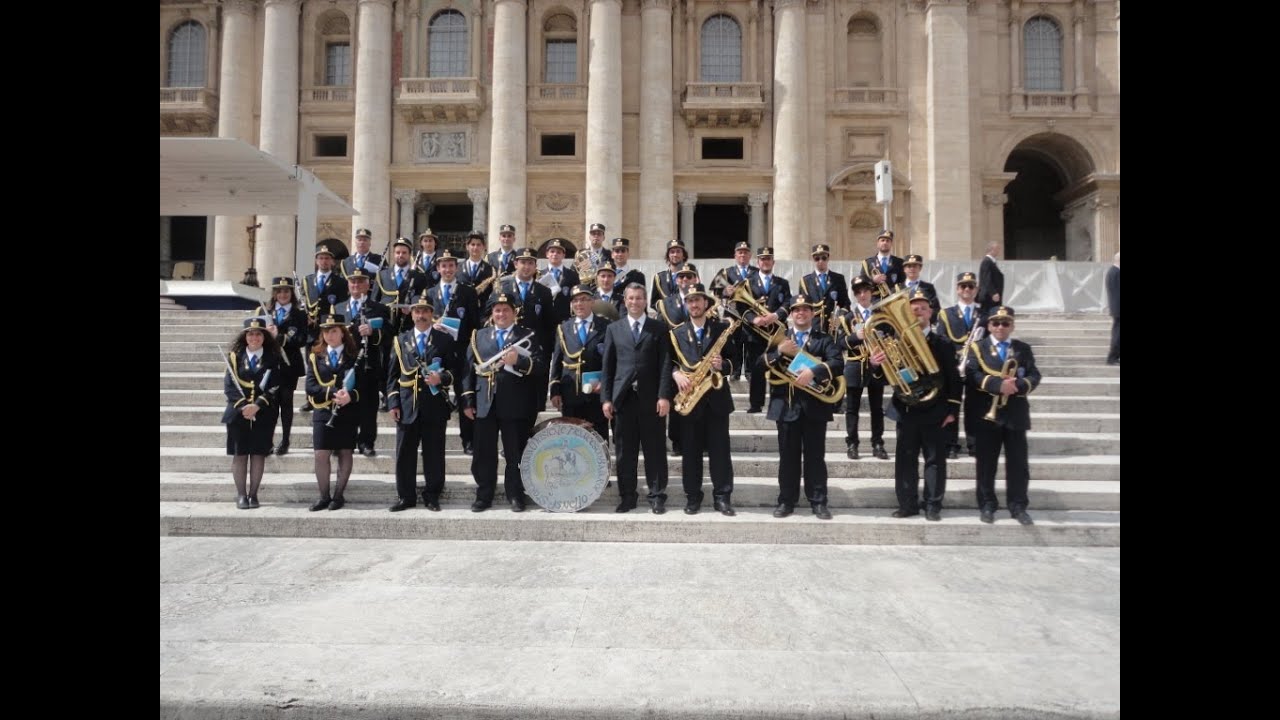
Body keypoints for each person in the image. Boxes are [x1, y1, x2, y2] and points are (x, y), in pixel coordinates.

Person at [871, 289, 961, 521]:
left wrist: (952, 411)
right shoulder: (895, 342)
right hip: (907, 409)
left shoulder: (942, 343)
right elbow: (885, 379)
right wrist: (875, 364)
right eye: (913, 309)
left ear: (931, 312)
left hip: (936, 411)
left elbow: (954, 380)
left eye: (923, 308)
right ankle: (907, 504)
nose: (918, 312)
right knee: (905, 461)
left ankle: (932, 504)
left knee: (934, 461)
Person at [460, 292, 547, 512]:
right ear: (492, 313)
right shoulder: (478, 336)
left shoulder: (527, 334)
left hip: (515, 403)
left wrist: (519, 361)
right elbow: (468, 371)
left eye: (506, 310)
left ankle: (516, 494)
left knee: (514, 453)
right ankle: (484, 494)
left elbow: (540, 367)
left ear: (514, 313)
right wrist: (468, 400)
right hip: (484, 403)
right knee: (483, 453)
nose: (501, 314)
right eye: (497, 310)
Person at [765, 297, 843, 520]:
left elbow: (838, 363)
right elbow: (759, 364)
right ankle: (786, 501)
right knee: (787, 458)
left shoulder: (824, 339)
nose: (801, 313)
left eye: (805, 310)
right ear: (790, 314)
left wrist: (814, 372)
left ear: (813, 313)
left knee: (815, 457)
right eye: (796, 310)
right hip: (786, 406)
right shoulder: (780, 338)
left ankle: (818, 501)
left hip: (814, 408)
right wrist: (779, 351)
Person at [966, 306, 1042, 525]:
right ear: (989, 326)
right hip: (987, 415)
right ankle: (987, 504)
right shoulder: (978, 347)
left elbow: (1034, 375)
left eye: (1005, 323)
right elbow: (972, 375)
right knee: (986, 464)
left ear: (1012, 326)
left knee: (1018, 464)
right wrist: (998, 385)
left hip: (1015, 415)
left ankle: (1018, 506)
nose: (1000, 327)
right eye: (996, 323)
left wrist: (1017, 385)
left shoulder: (1022, 349)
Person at [666, 283, 736, 516]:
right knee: (691, 452)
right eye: (690, 301)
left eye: (698, 300)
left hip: (716, 398)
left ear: (706, 303)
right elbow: (670, 363)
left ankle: (722, 497)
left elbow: (735, 361)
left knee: (720, 452)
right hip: (689, 400)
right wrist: (675, 374)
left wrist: (723, 365)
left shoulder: (721, 328)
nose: (694, 304)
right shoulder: (676, 333)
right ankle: (693, 496)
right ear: (686, 305)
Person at [602, 284, 673, 514]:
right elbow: (608, 367)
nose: (635, 302)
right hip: (623, 400)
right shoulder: (614, 328)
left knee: (655, 450)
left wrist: (664, 395)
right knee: (625, 451)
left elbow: (665, 365)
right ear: (625, 301)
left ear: (645, 301)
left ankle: (657, 495)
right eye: (631, 298)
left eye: (639, 298)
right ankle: (627, 496)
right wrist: (606, 399)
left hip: (651, 399)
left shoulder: (659, 328)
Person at [386, 295, 456, 512]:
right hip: (408, 406)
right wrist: (393, 403)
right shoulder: (400, 340)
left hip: (434, 406)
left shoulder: (444, 340)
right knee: (405, 453)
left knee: (434, 454)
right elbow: (391, 376)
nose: (421, 315)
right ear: (412, 313)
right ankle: (406, 496)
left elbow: (455, 372)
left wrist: (441, 379)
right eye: (417, 311)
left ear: (431, 314)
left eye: (425, 311)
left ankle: (432, 495)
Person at [303, 314, 362, 511]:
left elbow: (366, 386)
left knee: (345, 451)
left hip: (348, 411)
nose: (330, 334)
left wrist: (351, 396)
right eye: (326, 331)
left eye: (334, 330)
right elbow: (310, 386)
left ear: (342, 333)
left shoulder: (355, 356)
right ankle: (323, 496)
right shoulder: (316, 356)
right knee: (321, 453)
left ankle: (338, 495)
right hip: (323, 411)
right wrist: (333, 392)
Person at [222, 318, 283, 509]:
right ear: (245, 336)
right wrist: (244, 407)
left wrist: (257, 405)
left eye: (258, 334)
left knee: (258, 454)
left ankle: (254, 494)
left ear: (264, 337)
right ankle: (241, 495)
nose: (254, 337)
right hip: (238, 413)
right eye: (250, 334)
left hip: (264, 413)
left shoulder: (273, 357)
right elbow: (229, 387)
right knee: (240, 454)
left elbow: (275, 386)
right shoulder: (235, 357)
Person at [429, 248, 481, 454]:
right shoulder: (430, 292)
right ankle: (434, 441)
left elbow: (474, 323)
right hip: (438, 352)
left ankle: (468, 440)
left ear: (456, 268)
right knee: (435, 395)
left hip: (461, 351)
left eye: (451, 265)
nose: (447, 269)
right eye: (444, 265)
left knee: (464, 395)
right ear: (438, 268)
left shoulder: (467, 291)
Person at [836, 275, 888, 460]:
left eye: (866, 290)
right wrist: (854, 337)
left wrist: (881, 354)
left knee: (876, 408)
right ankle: (852, 443)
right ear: (855, 295)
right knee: (852, 408)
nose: (863, 294)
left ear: (871, 292)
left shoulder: (881, 316)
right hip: (855, 365)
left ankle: (877, 443)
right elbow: (839, 342)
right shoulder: (848, 317)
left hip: (877, 365)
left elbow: (891, 338)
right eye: (858, 292)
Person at [549, 285, 610, 442]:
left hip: (596, 392)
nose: (579, 304)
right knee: (572, 440)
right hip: (571, 393)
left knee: (598, 439)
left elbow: (611, 359)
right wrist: (555, 389)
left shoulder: (605, 326)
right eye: (575, 300)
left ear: (592, 302)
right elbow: (557, 361)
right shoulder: (564, 328)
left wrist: (605, 383)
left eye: (584, 300)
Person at [340, 269, 390, 457]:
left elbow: (388, 336)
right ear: (348, 285)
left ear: (368, 285)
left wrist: (372, 332)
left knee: (369, 406)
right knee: (347, 405)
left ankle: (366, 442)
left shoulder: (380, 309)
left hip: (369, 364)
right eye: (353, 282)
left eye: (361, 282)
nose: (356, 285)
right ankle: (346, 441)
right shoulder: (338, 308)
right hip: (345, 364)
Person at [936, 271, 984, 459]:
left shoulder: (985, 315)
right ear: (957, 289)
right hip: (954, 365)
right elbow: (941, 341)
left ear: (976, 290)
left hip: (976, 366)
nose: (967, 289)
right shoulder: (946, 314)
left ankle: (974, 443)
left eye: (971, 286)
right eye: (963, 286)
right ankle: (950, 443)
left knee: (974, 405)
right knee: (952, 404)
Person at [740, 246, 790, 414]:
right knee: (756, 369)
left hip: (777, 334)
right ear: (758, 262)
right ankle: (756, 404)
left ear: (773, 262)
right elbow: (741, 307)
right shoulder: (748, 283)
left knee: (779, 366)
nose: (765, 262)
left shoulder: (783, 283)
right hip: (755, 334)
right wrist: (754, 319)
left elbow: (788, 303)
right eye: (762, 259)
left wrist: (776, 315)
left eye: (768, 259)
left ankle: (779, 402)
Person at [264, 276, 309, 455]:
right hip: (269, 365)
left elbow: (301, 339)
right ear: (274, 294)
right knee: (270, 403)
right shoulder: (265, 312)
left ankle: (285, 440)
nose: (283, 294)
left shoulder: (299, 314)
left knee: (286, 402)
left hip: (289, 365)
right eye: (279, 291)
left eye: (286, 291)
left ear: (292, 293)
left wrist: (280, 337)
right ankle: (268, 439)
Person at [710, 241, 760, 382]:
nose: (742, 255)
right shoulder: (727, 272)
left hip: (751, 313)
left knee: (750, 343)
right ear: (735, 255)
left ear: (750, 255)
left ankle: (750, 371)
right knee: (733, 343)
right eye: (740, 252)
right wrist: (725, 291)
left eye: (745, 252)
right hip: (732, 314)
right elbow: (715, 290)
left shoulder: (756, 272)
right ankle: (735, 371)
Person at [375, 237, 429, 334]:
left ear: (409, 255)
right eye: (398, 252)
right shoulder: (382, 275)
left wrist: (412, 309)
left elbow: (423, 301)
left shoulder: (419, 277)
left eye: (404, 253)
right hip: (385, 326)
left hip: (407, 326)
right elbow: (374, 301)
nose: (400, 255)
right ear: (393, 254)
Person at [798, 243, 850, 334]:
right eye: (817, 258)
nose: (820, 261)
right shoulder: (805, 281)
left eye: (823, 258)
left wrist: (839, 318)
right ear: (813, 259)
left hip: (834, 328)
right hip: (814, 327)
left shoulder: (838, 278)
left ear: (828, 258)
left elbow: (845, 303)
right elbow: (803, 306)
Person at [541, 237, 580, 324]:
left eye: (559, 252)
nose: (555, 254)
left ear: (563, 255)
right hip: (544, 320)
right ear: (547, 254)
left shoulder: (572, 275)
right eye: (552, 251)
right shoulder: (539, 275)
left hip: (565, 320)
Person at [860, 229, 905, 302]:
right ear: (877, 243)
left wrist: (891, 292)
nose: (885, 243)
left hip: (894, 301)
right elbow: (861, 284)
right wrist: (873, 280)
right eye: (882, 240)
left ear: (891, 244)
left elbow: (903, 283)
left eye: (888, 241)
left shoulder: (899, 262)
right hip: (874, 302)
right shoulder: (867, 263)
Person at [651, 239, 693, 309]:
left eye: (678, 251)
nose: (675, 255)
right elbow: (654, 303)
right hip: (665, 317)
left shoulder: (691, 275)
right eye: (672, 252)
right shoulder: (659, 277)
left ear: (684, 255)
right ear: (668, 256)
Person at [461, 231, 498, 306]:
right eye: (472, 244)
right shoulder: (458, 268)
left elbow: (494, 294)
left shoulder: (491, 270)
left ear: (484, 247)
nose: (475, 247)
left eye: (478, 245)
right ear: (467, 247)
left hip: (481, 313)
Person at [900, 254, 941, 321]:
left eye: (915, 266)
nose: (912, 268)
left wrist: (924, 318)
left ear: (920, 268)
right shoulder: (897, 289)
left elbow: (936, 309)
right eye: (909, 266)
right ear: (904, 269)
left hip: (923, 326)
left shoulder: (928, 288)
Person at [977, 241, 1004, 319]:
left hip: (991, 297)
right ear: (992, 249)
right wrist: (993, 293)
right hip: (989, 297)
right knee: (988, 317)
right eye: (997, 249)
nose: (999, 251)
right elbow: (986, 279)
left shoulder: (991, 262)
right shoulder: (987, 262)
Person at [1105, 252, 1120, 365]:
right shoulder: (1115, 272)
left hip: (1117, 308)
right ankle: (1112, 357)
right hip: (1118, 308)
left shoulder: (1112, 271)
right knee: (1117, 334)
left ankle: (1114, 357)